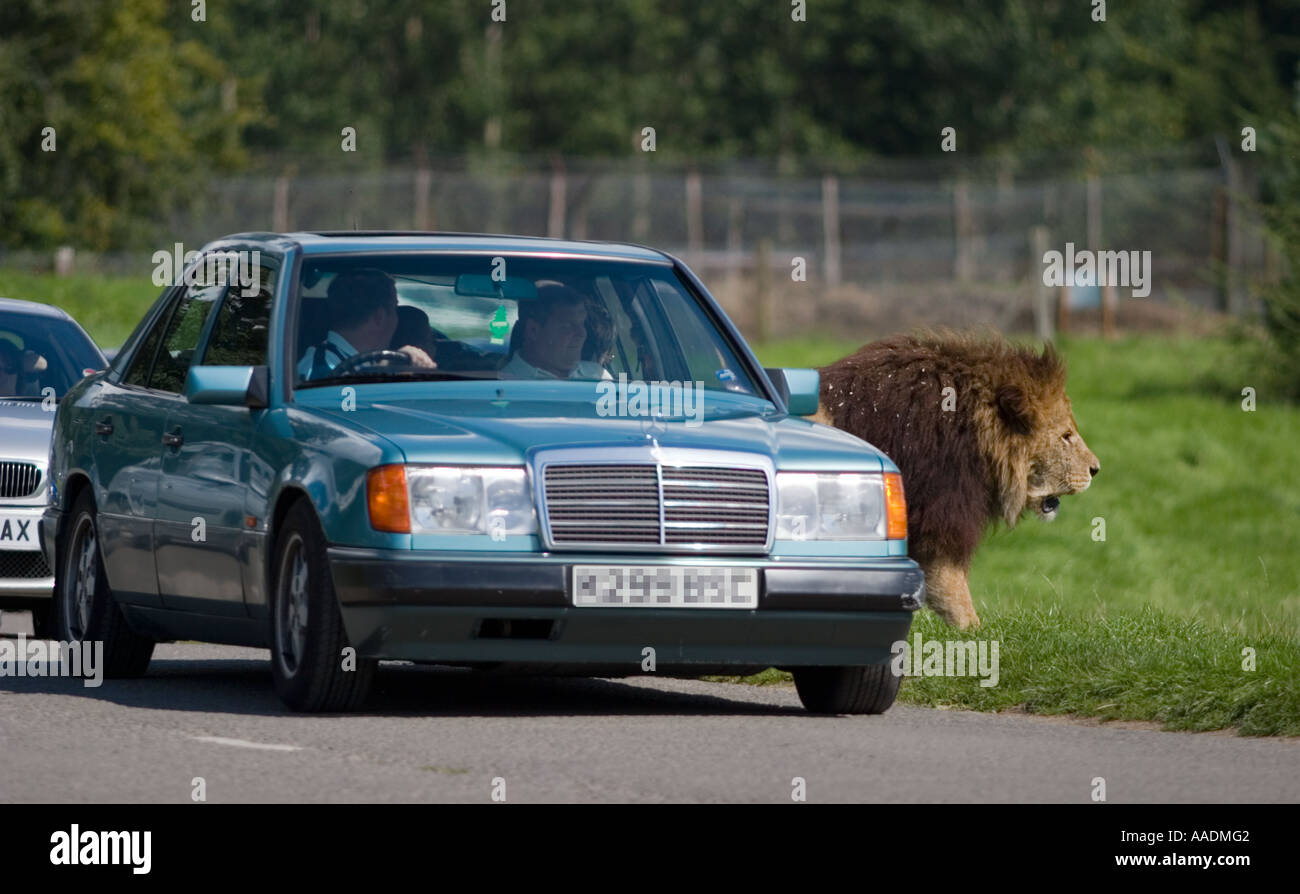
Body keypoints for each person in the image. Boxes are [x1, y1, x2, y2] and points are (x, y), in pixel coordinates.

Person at [297, 268, 433, 380]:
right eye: (395, 309)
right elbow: (347, 408)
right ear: (379, 316)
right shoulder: (321, 369)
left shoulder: (337, 360)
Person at [500, 282, 612, 380]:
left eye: (582, 323)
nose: (582, 334)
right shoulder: (502, 386)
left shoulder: (598, 376)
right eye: (567, 326)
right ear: (533, 330)